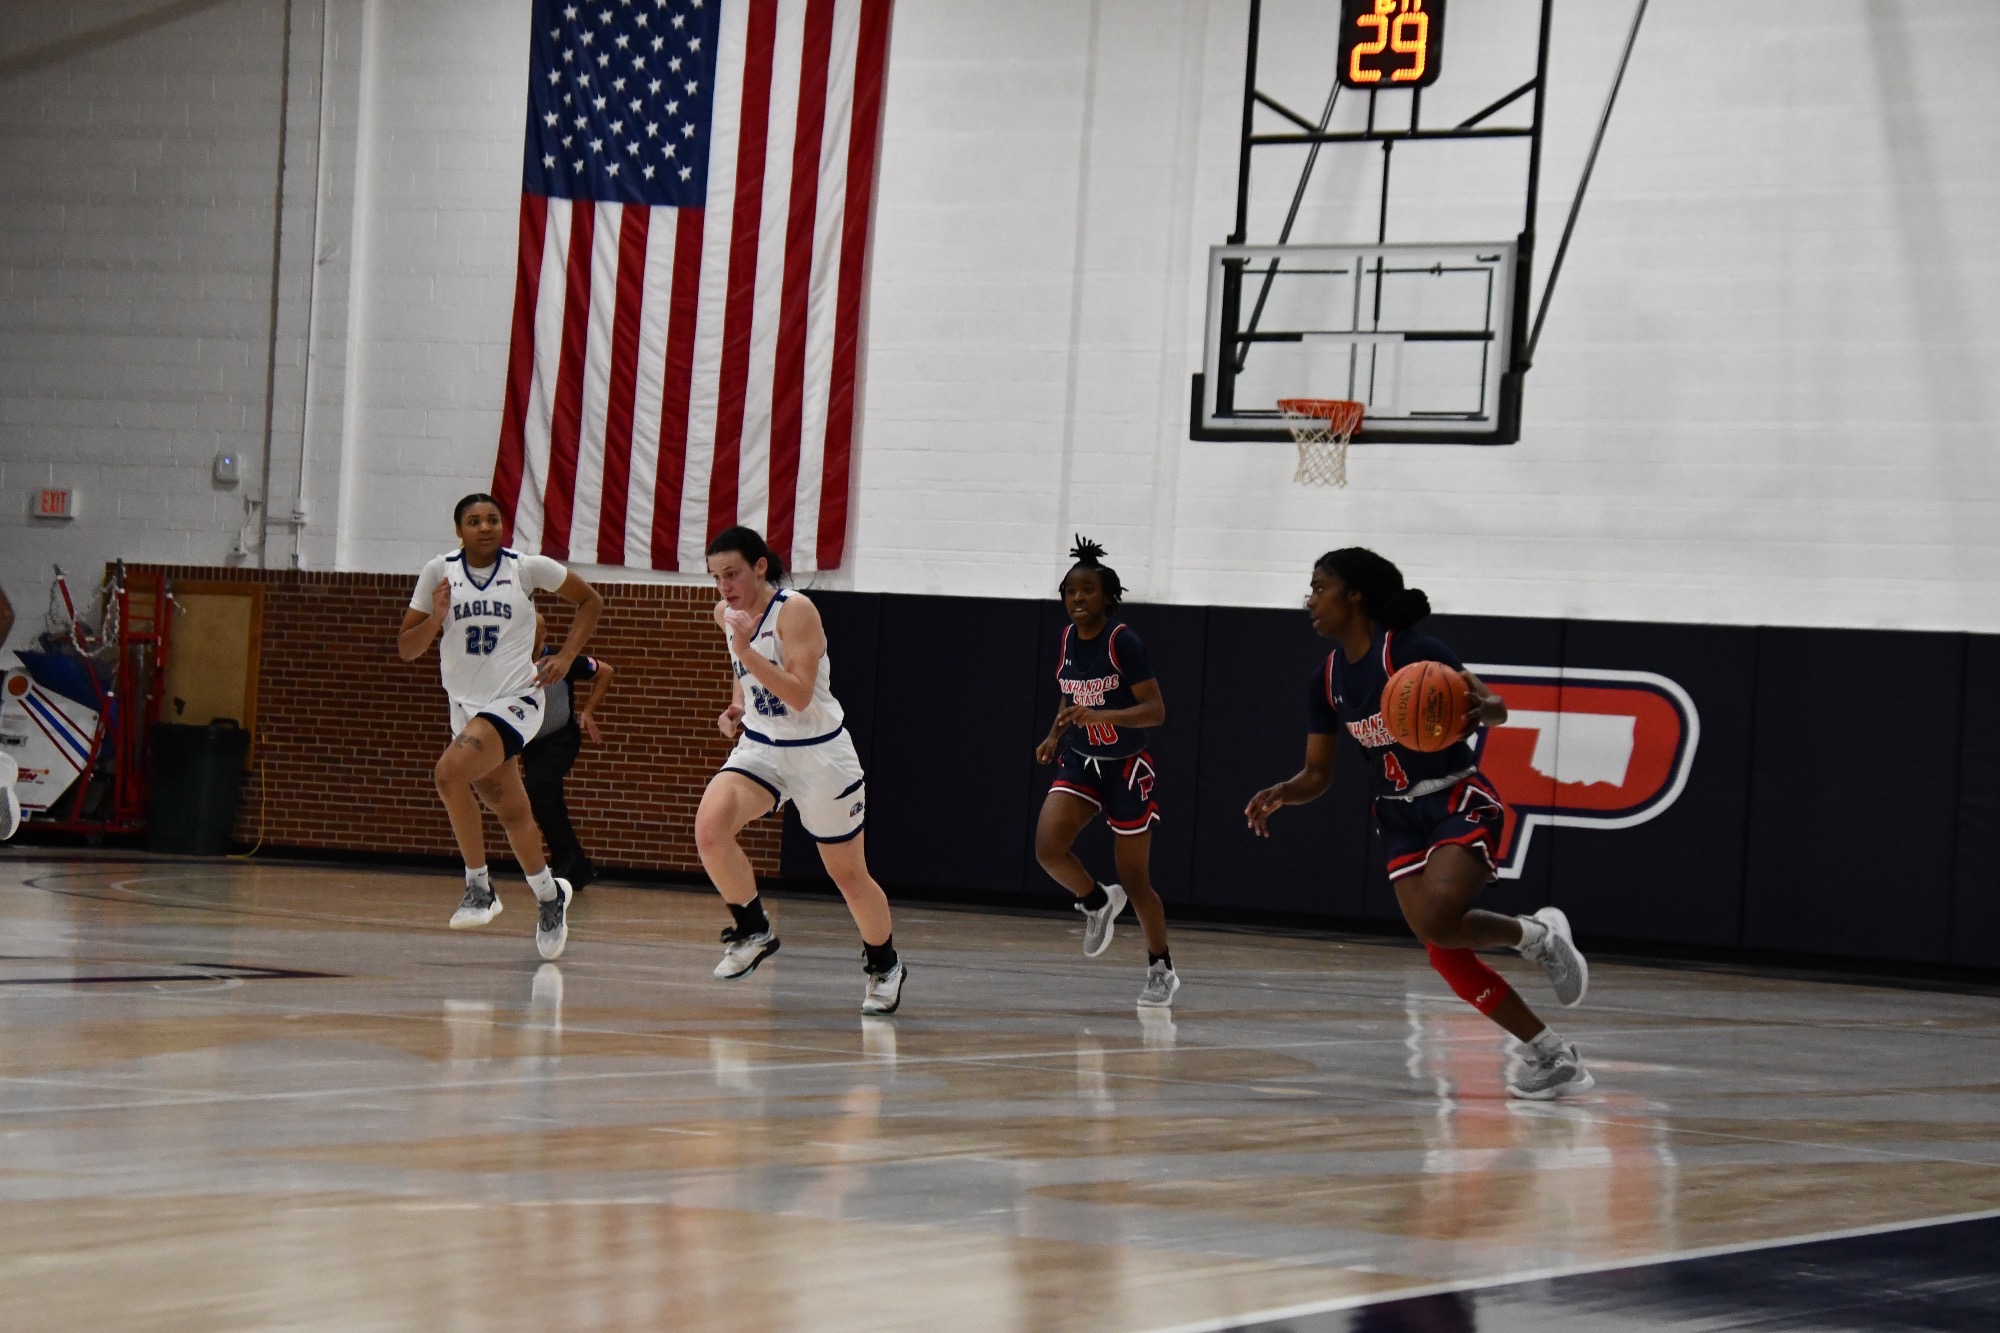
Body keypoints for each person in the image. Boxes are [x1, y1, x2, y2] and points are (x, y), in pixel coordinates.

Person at [1244, 548, 1593, 1100]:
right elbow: (1319, 773)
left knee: (1438, 919)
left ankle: (1539, 938)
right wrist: (1285, 791)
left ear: (1354, 594)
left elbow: (1492, 708)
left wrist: (1491, 708)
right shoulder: (1327, 679)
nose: (1308, 599)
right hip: (1398, 816)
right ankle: (1551, 1052)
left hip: (1455, 795)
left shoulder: (1412, 655)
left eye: (1318, 587)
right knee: (1441, 945)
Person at [693, 526, 906, 1015]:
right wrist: (738, 706)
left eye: (733, 573)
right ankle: (752, 929)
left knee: (848, 874)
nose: (724, 587)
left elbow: (799, 693)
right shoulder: (726, 613)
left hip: (819, 753)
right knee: (709, 829)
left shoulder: (796, 610)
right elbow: (741, 669)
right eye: (716, 577)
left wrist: (746, 650)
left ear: (760, 566)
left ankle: (885, 964)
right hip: (763, 746)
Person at [398, 493, 603, 960]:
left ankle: (479, 887)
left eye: (493, 518)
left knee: (449, 774)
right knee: (511, 812)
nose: (485, 527)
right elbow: (407, 649)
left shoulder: (528, 568)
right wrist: (436, 617)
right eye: (474, 521)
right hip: (466, 710)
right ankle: (551, 897)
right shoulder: (438, 572)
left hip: (516, 701)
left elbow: (590, 601)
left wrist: (568, 655)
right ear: (459, 530)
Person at [1033, 537, 1178, 1007]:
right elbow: (1068, 693)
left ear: (1108, 596)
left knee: (1135, 878)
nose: (1078, 599)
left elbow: (1156, 711)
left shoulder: (1123, 641)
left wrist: (1105, 716)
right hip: (1081, 759)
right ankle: (1097, 902)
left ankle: (1161, 967)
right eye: (1071, 592)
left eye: (1088, 591)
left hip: (1127, 767)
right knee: (1048, 849)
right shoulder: (1066, 640)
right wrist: (1055, 733)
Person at [521, 613, 615, 891]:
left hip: (560, 738)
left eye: (533, 628)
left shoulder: (560, 660)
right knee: (542, 796)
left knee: (539, 787)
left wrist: (588, 711)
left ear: (544, 633)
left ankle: (569, 860)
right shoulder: (512, 663)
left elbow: (605, 671)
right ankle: (575, 864)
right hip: (531, 743)